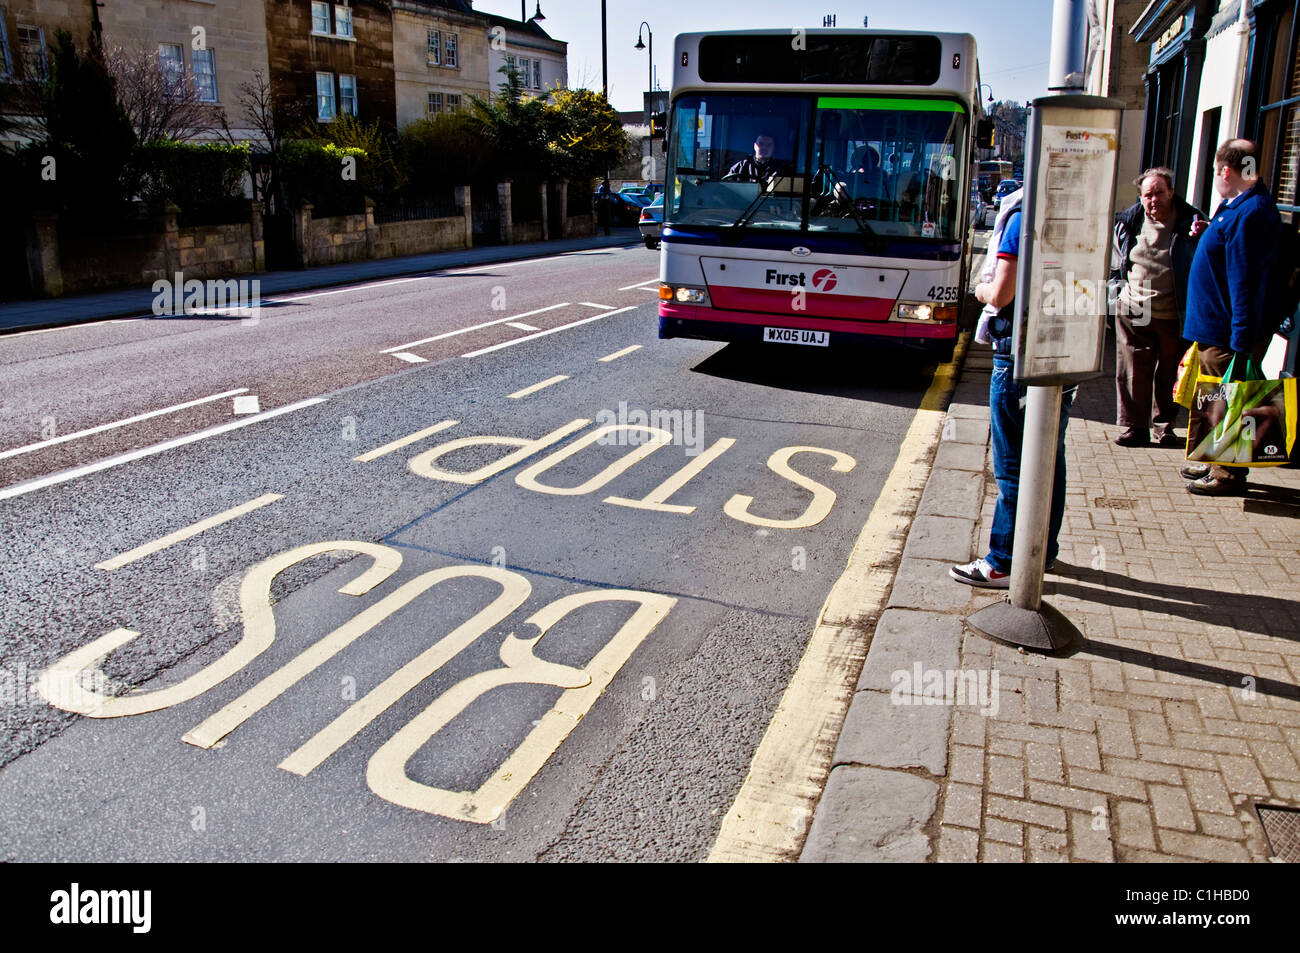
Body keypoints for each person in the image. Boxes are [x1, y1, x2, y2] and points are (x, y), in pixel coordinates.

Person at [951, 200, 1077, 588]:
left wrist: (982, 288)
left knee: (1013, 467)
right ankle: (1043, 552)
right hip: (1064, 350)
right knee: (1050, 459)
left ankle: (1003, 560)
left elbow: (1002, 293)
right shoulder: (1076, 216)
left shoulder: (1023, 218)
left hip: (1019, 355)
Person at [1180, 139, 1283, 496]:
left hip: (1228, 332)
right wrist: (1210, 230)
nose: (1216, 180)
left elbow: (1245, 282)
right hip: (1216, 327)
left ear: (1226, 170)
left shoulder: (1252, 211)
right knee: (1215, 398)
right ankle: (1213, 461)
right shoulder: (1236, 206)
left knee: (1231, 399)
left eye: (1215, 173)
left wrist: (1241, 340)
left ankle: (1226, 474)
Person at [1109, 168, 1204, 448]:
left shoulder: (1192, 221)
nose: (1154, 200)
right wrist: (1115, 298)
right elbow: (1117, 262)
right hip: (1134, 307)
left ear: (1171, 192)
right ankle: (1135, 427)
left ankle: (1164, 428)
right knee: (1133, 370)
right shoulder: (1129, 221)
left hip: (1174, 311)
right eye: (1147, 194)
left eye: (1159, 193)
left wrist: (1203, 235)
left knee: (1169, 372)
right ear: (1140, 197)